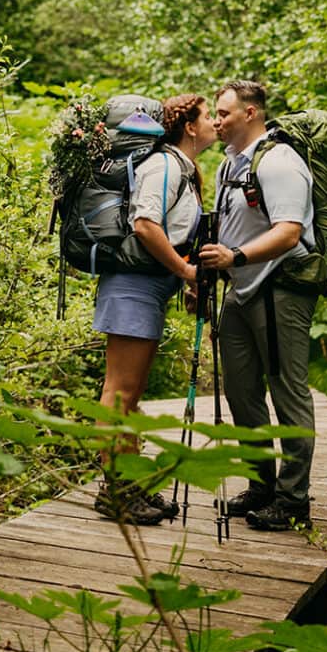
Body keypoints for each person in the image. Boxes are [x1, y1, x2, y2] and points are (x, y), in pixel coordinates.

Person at [92, 93, 218, 525]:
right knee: (119, 394)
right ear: (189, 126)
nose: (216, 123)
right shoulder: (164, 165)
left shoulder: (179, 167)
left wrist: (180, 274)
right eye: (208, 117)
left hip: (146, 287)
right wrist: (185, 270)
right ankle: (115, 492)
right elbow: (145, 224)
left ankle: (128, 485)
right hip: (132, 286)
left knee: (131, 394)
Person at [199, 79, 317, 531]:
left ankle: (293, 498)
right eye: (214, 113)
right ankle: (261, 485)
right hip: (239, 289)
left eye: (224, 113)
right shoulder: (231, 166)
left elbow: (288, 232)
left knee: (288, 392)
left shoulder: (281, 161)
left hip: (280, 289)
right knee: (241, 392)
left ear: (251, 113)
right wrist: (213, 273)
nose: (216, 121)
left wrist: (238, 257)